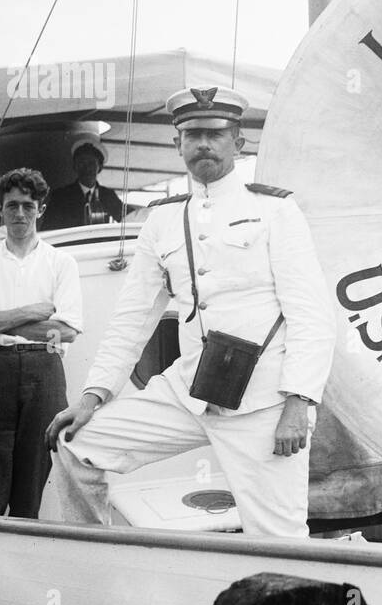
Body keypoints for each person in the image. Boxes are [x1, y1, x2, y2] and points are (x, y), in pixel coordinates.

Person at [45, 86, 335, 538]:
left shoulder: (274, 210)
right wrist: (93, 395)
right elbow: (132, 318)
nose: (204, 143)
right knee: (75, 444)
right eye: (193, 133)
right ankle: (97, 561)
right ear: (177, 143)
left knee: (281, 540)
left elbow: (312, 314)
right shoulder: (161, 220)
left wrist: (299, 403)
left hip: (264, 404)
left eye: (216, 134)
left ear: (238, 144)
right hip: (188, 391)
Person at [0, 168, 83, 516]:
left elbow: (65, 332)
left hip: (45, 368)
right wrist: (31, 312)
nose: (19, 214)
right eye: (11, 206)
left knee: (32, 482)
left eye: (28, 206)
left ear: (41, 210)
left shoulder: (61, 263)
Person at [41, 139, 124, 229]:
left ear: (99, 167)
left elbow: (128, 218)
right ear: (75, 166)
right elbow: (47, 228)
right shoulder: (60, 196)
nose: (87, 168)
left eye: (91, 163)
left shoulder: (108, 196)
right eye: (81, 163)